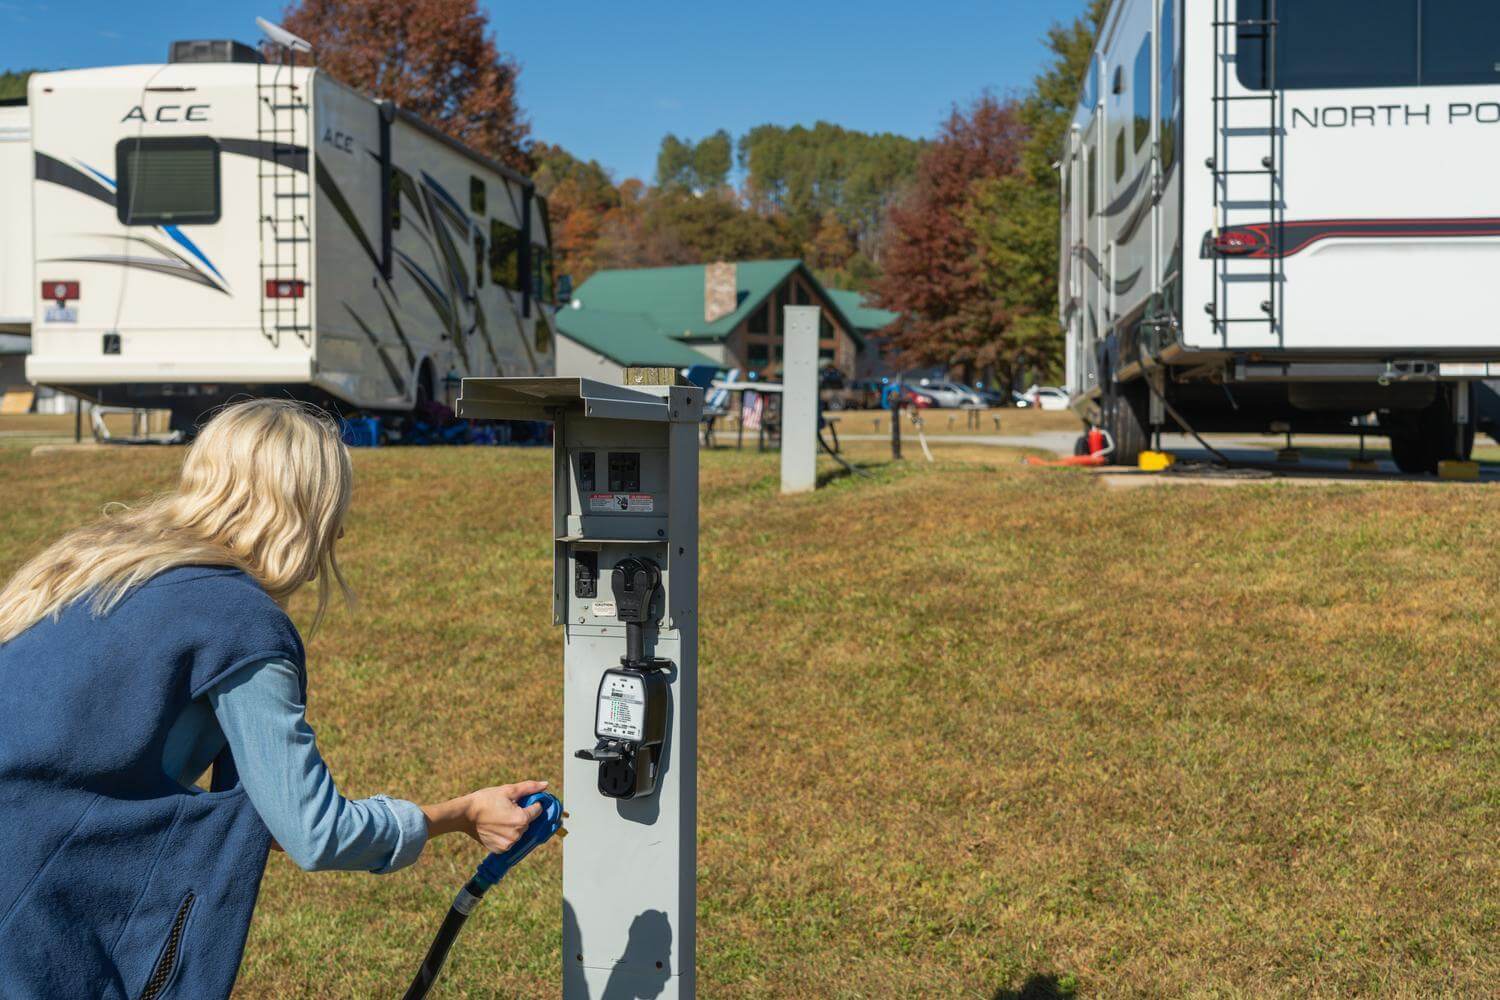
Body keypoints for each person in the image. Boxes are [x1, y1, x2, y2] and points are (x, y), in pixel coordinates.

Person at [0, 399, 548, 1000]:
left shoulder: (94, 569)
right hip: (37, 925)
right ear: (304, 511)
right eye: (333, 509)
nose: (339, 531)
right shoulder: (237, 624)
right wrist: (461, 816)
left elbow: (268, 814)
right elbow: (315, 832)